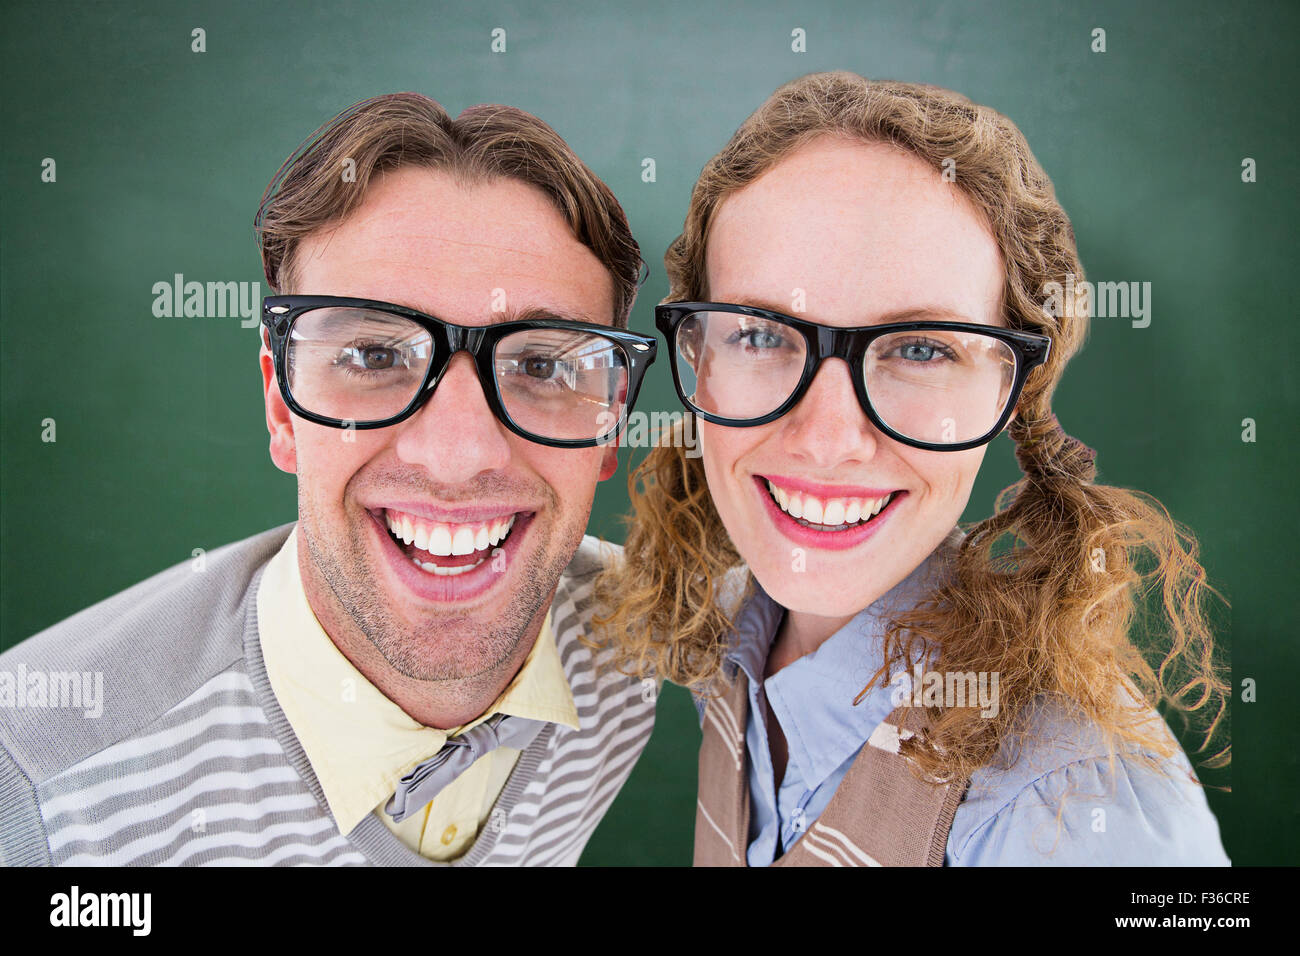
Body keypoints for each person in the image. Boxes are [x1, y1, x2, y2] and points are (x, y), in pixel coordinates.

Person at [0, 92, 659, 866]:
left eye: (542, 365)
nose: (457, 454)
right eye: (374, 356)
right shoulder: (42, 794)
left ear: (610, 424)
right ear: (283, 410)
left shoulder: (642, 633)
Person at [595, 71, 1231, 866]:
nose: (826, 439)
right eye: (758, 333)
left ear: (1014, 390)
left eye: (921, 348)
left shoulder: (1072, 814)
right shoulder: (733, 639)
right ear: (701, 355)